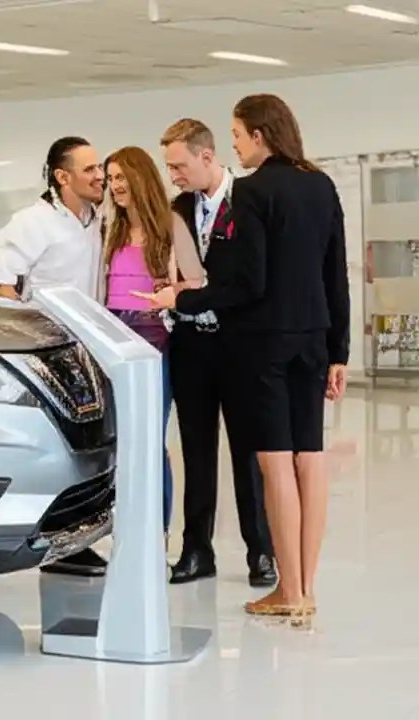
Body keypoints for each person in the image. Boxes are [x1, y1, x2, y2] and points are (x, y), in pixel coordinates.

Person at [138, 95, 350, 617]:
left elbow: (245, 283)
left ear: (260, 135)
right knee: (312, 461)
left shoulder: (253, 192)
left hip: (265, 344)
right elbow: (334, 273)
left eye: (236, 133)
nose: (233, 143)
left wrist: (181, 299)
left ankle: (290, 591)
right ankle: (308, 590)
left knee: (276, 463)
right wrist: (338, 350)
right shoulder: (320, 185)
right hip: (314, 340)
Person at [0, 135, 109, 577]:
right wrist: (26, 329)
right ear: (62, 176)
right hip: (52, 356)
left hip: (92, 354)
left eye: (99, 167)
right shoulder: (34, 222)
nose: (99, 175)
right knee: (63, 453)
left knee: (95, 453)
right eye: (88, 169)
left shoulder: (97, 219)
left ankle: (76, 538)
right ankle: (58, 545)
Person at [158, 119, 277, 588]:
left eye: (180, 165)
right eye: (168, 167)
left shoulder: (248, 203)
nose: (174, 175)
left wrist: (192, 296)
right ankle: (196, 550)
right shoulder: (177, 210)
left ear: (207, 157)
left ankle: (261, 551)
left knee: (248, 453)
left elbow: (249, 285)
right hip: (192, 348)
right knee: (197, 451)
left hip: (240, 347)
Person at [101, 146, 196, 538]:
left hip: (155, 343)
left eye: (121, 177)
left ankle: (157, 530)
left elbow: (196, 280)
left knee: (149, 440)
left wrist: (170, 290)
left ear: (141, 177)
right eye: (110, 180)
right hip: (114, 344)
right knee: (122, 443)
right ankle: (128, 529)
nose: (115, 187)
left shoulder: (171, 225)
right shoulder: (111, 229)